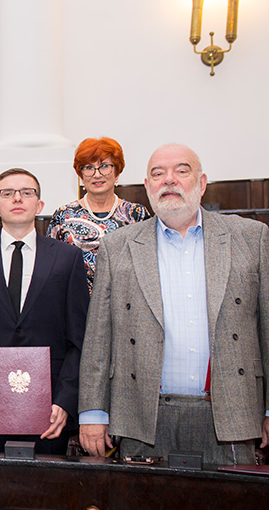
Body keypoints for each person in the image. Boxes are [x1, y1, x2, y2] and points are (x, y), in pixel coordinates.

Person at [80, 144, 269, 466]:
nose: (169, 180)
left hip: (232, 413)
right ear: (147, 186)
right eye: (158, 174)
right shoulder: (118, 245)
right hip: (143, 415)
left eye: (182, 171)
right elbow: (99, 336)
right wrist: (93, 412)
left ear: (202, 182)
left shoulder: (251, 237)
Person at [0, 168, 89, 455]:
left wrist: (66, 400)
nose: (17, 198)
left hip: (50, 408)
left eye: (27, 192)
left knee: (49, 493)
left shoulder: (67, 258)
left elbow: (79, 340)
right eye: (7, 193)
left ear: (39, 205)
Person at [46, 137, 150, 292]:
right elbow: (51, 267)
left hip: (126, 304)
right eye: (88, 167)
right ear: (80, 174)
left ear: (117, 171)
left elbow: (148, 265)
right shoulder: (63, 216)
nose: (97, 174)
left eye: (105, 166)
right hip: (77, 305)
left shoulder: (137, 214)